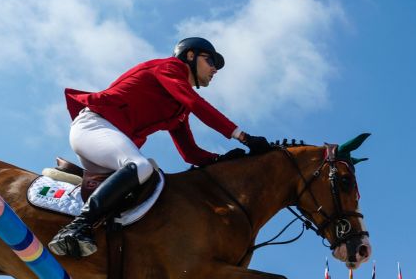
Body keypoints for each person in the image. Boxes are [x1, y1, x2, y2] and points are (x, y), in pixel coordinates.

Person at [49, 37, 271, 258]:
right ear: (190, 56)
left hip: (107, 141)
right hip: (94, 126)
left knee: (150, 180)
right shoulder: (169, 67)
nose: (214, 69)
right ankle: (76, 228)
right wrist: (242, 136)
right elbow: (197, 104)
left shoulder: (179, 109)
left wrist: (222, 159)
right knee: (140, 165)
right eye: (210, 61)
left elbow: (190, 153)